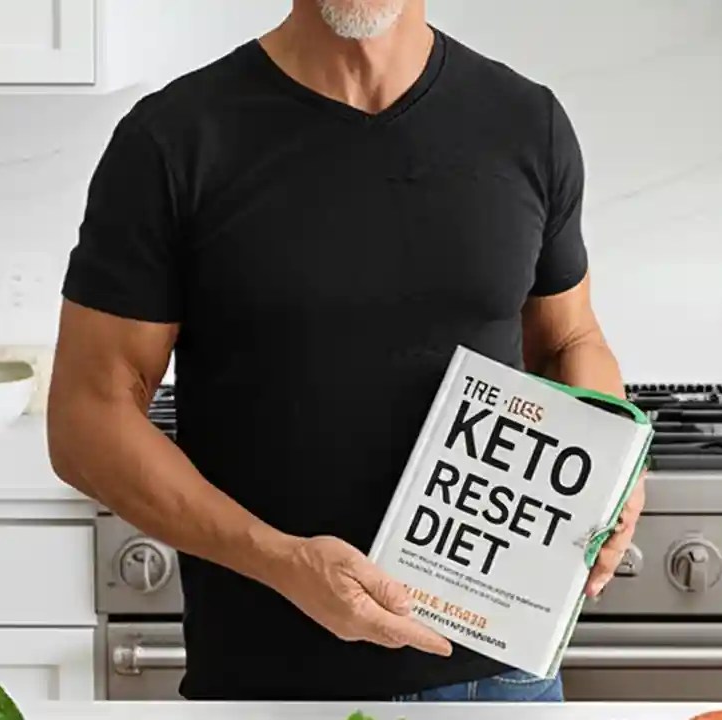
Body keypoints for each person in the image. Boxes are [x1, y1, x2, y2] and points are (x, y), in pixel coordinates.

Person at [47, 0, 643, 703]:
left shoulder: (526, 123)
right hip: (272, 682)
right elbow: (87, 420)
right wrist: (283, 562)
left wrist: (614, 452)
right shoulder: (173, 138)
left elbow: (570, 339)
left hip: (501, 680)